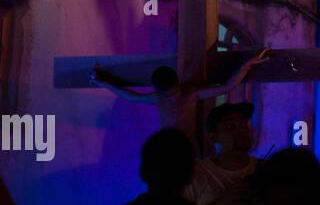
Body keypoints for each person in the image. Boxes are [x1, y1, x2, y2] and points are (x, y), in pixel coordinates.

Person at [90, 46, 271, 139]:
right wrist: (103, 83)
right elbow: (130, 95)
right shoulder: (158, 99)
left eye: (174, 93)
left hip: (188, 148)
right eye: (167, 96)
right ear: (160, 93)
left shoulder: (191, 94)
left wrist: (245, 65)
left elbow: (226, 87)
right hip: (167, 148)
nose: (171, 98)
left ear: (178, 85)